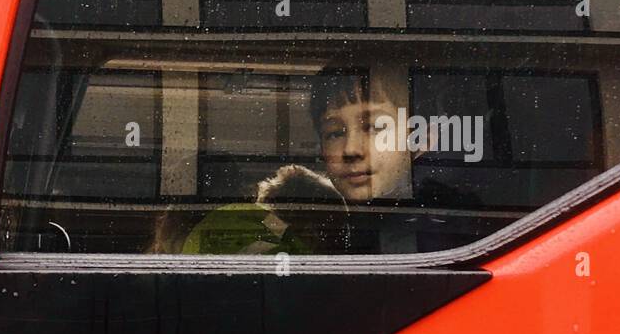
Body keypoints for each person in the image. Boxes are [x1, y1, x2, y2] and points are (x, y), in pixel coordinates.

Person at [176, 65, 478, 254]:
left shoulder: (439, 234)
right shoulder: (353, 231)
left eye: (373, 127)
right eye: (334, 132)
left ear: (421, 138)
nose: (351, 149)